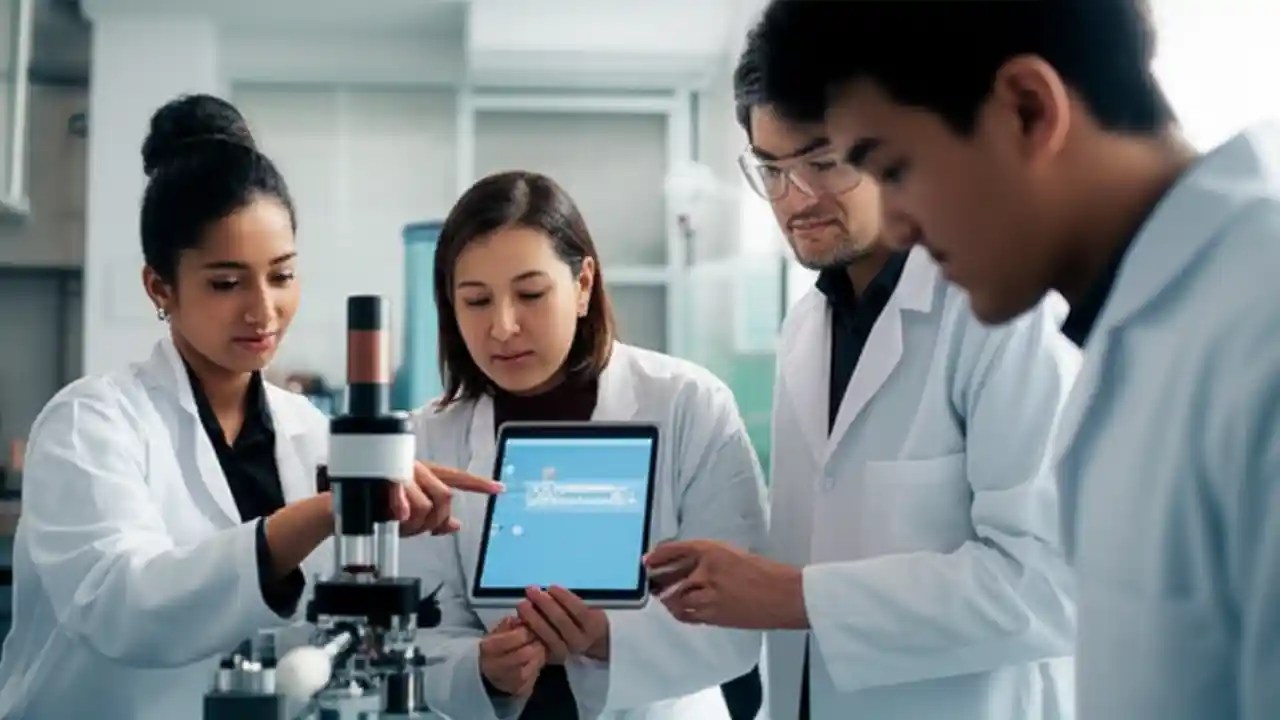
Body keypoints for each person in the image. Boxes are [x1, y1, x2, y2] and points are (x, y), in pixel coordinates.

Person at [752, 1, 1280, 719]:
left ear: (1027, 112)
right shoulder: (1142, 331)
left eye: (895, 168)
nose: (897, 223)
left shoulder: (1255, 332)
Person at [0, 94, 500, 720]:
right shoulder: (92, 423)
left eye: (282, 276)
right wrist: (329, 510)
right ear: (160, 286)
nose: (263, 311)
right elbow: (122, 606)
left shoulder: (309, 432)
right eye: (226, 283)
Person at [642, 25, 1082, 720]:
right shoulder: (803, 331)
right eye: (771, 170)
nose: (797, 198)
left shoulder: (999, 314)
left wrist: (794, 595)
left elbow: (1050, 585)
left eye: (824, 162)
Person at [404, 170, 769, 720]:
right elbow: (420, 624)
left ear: (582, 285)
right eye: (476, 301)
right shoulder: (431, 435)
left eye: (530, 294)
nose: (503, 326)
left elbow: (741, 613)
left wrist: (605, 638)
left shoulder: (687, 404)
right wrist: (480, 667)